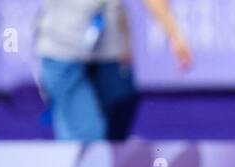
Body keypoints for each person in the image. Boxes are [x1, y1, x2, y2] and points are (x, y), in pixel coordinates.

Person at [35, 0, 192, 141]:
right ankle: (86, 164)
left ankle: (106, 164)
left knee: (118, 117)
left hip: (112, 49)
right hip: (62, 52)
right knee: (86, 134)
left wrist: (174, 35)